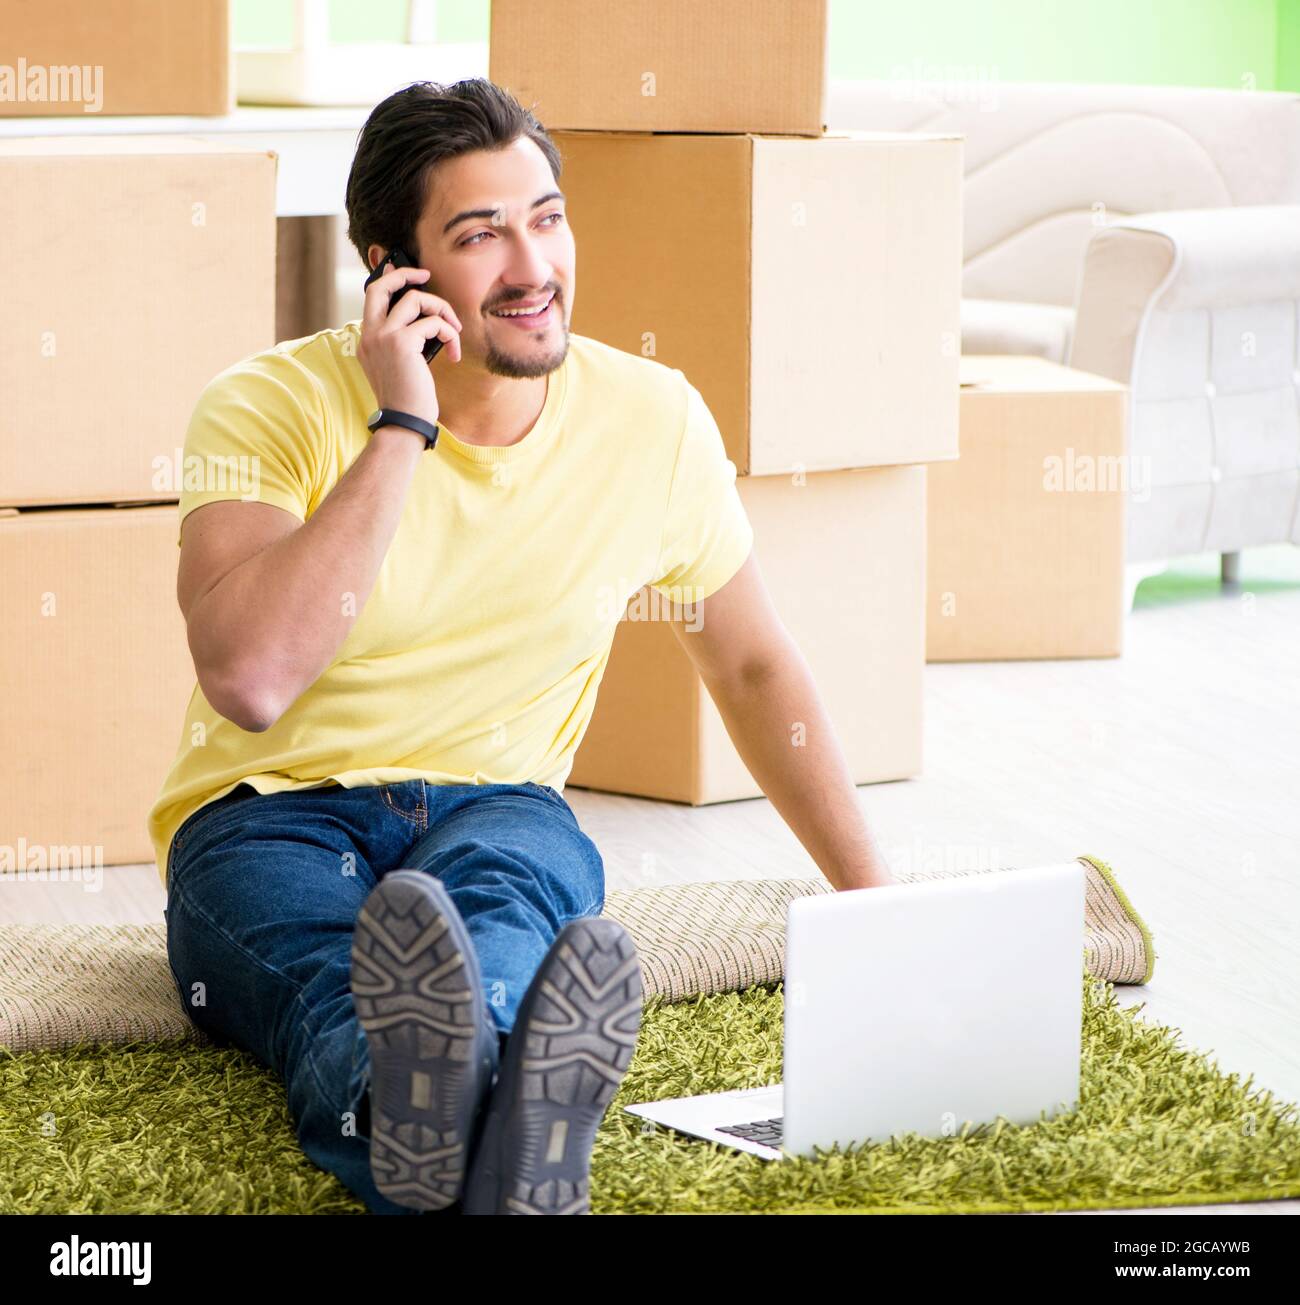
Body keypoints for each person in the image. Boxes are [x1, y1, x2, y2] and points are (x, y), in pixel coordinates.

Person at [149, 77, 894, 1216]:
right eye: (479, 233)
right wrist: (402, 425)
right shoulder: (265, 406)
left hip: (499, 800)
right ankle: (503, 1137)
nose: (532, 266)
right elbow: (251, 679)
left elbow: (750, 667)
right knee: (328, 980)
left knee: (499, 917)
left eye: (545, 216)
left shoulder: (651, 419)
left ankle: (457, 1116)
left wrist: (873, 904)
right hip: (267, 810)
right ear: (393, 268)